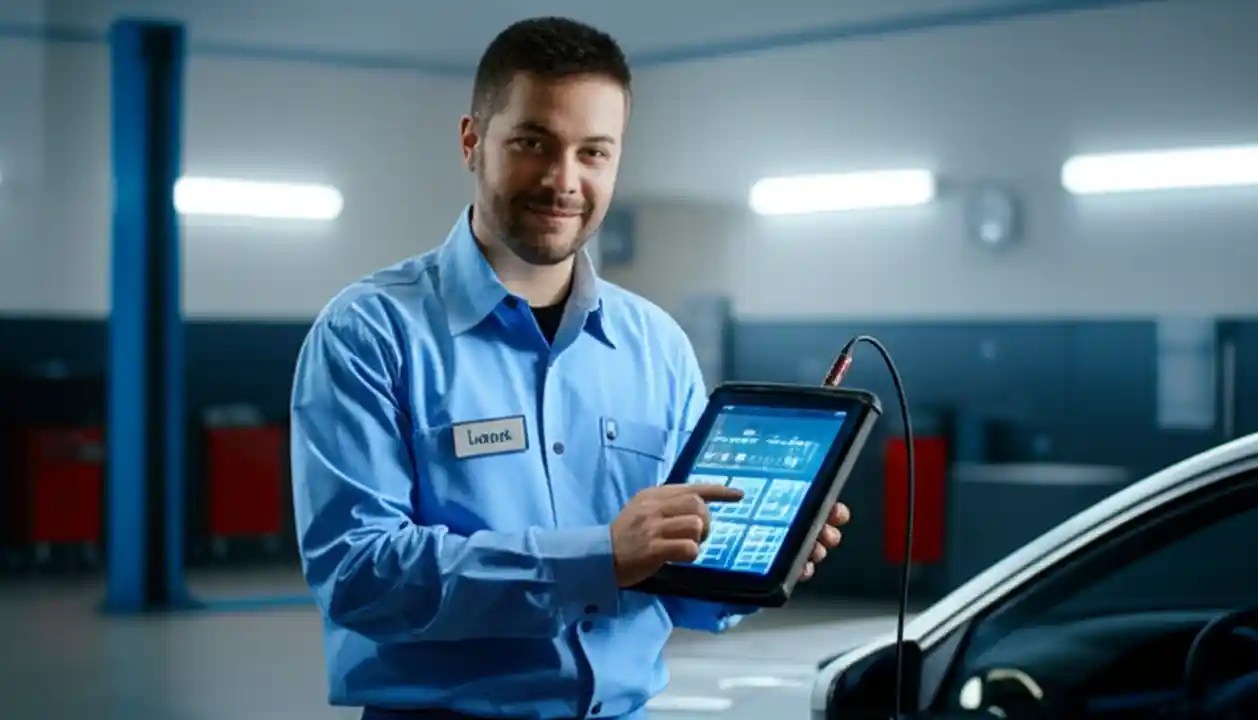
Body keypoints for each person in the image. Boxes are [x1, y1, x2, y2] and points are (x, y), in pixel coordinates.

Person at [289, 16, 851, 720]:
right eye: (533, 143)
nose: (564, 180)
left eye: (593, 152)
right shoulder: (370, 333)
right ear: (472, 141)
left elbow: (676, 588)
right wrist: (599, 558)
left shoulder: (657, 346)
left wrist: (757, 560)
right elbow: (359, 575)